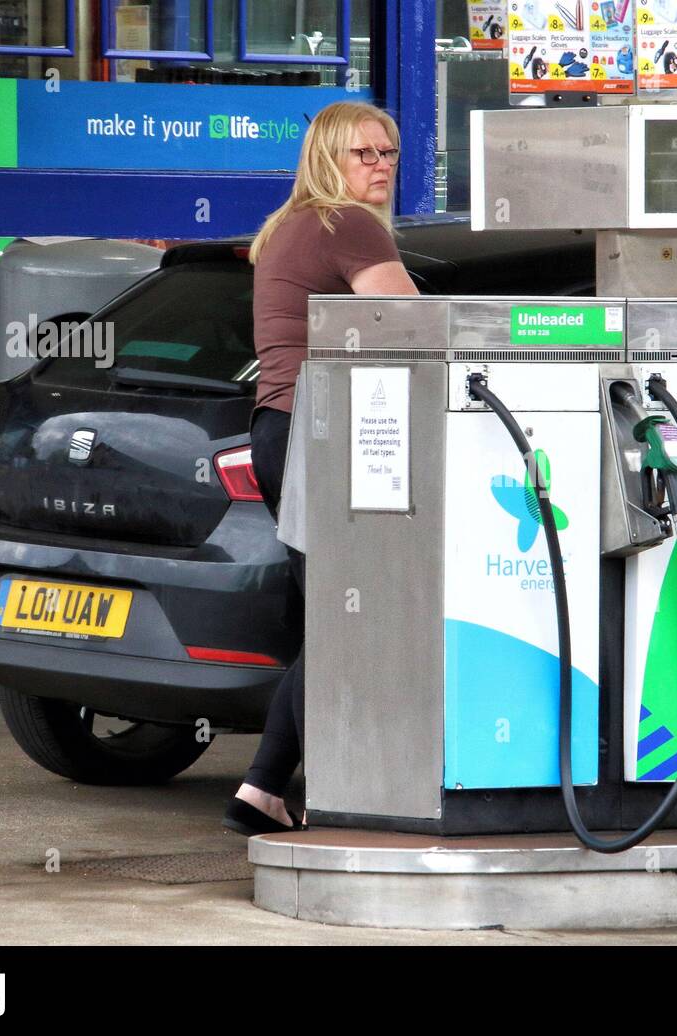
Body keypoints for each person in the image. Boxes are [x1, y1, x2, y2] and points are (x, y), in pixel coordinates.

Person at [223, 101, 419, 836]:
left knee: (329, 619)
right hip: (322, 435)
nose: (379, 164)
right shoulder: (347, 223)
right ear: (327, 161)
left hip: (282, 431)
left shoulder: (289, 227)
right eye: (361, 153)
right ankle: (284, 786)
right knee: (344, 621)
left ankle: (263, 790)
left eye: (388, 152)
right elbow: (417, 325)